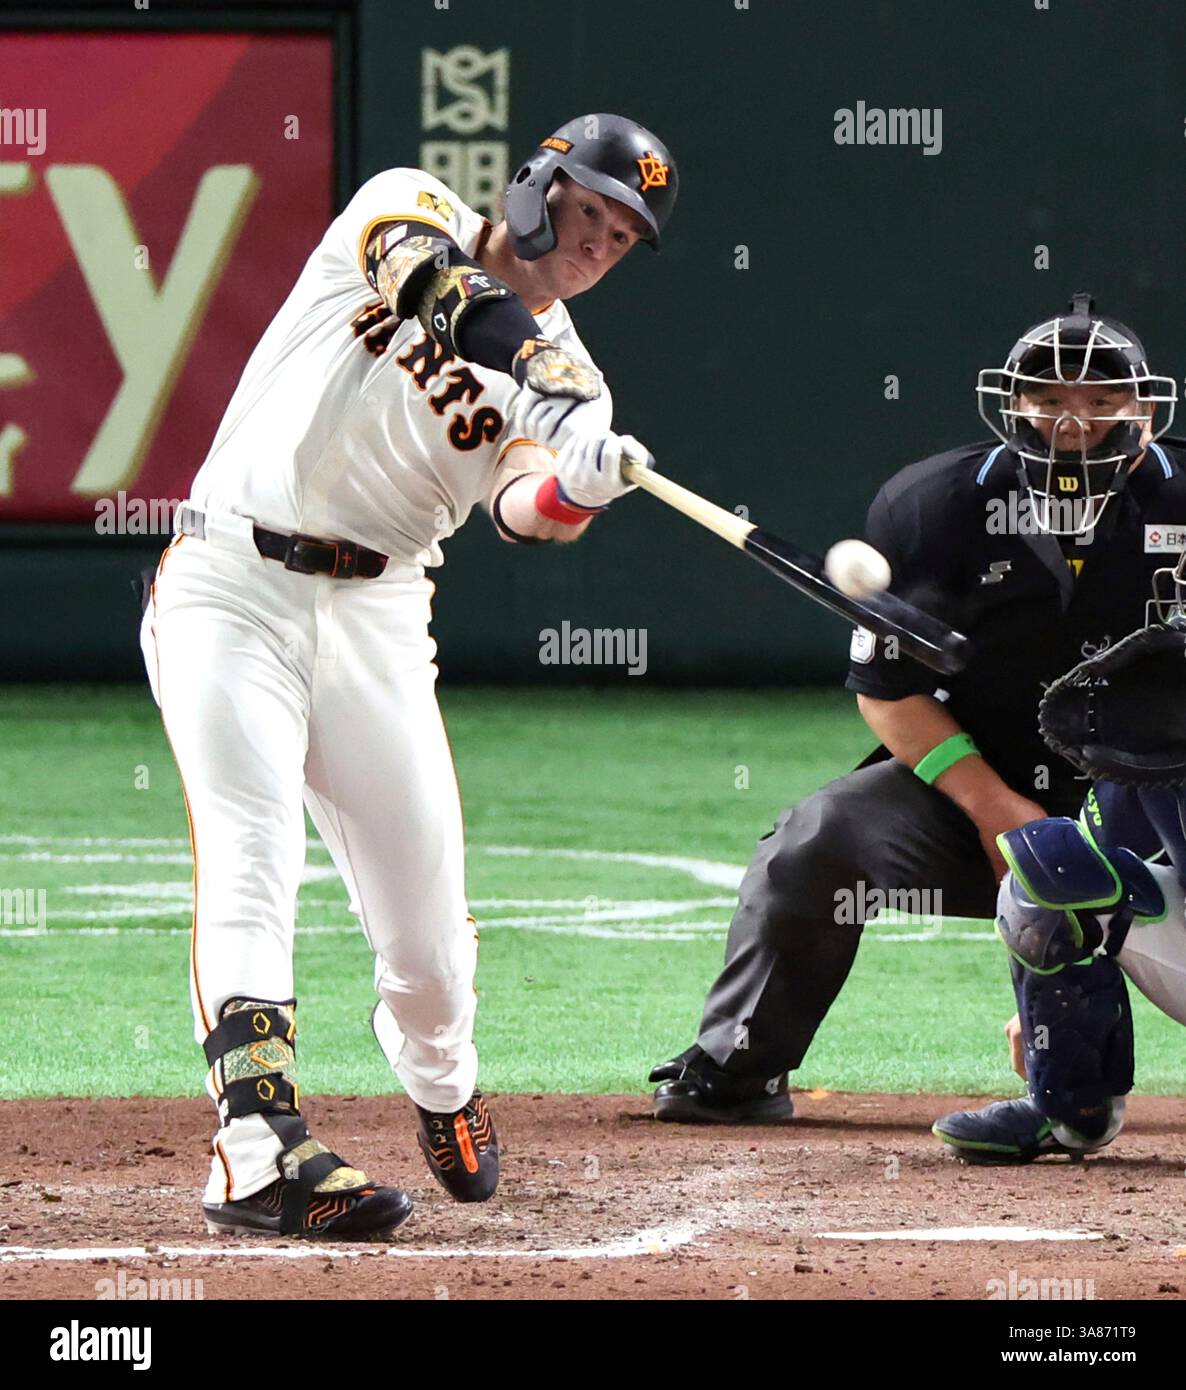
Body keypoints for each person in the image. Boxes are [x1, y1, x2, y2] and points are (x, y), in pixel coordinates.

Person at [141, 113, 678, 1237]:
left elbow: (524, 514)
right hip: (230, 579)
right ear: (538, 182)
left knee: (429, 950)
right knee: (254, 848)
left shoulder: (573, 381)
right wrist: (542, 371)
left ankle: (439, 1082)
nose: (598, 245)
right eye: (590, 211)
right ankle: (254, 1147)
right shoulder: (411, 204)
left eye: (623, 237)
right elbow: (435, 290)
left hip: (380, 616)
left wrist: (581, 481)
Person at [649, 294, 1184, 1124]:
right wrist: (993, 808)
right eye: (1048, 398)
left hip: (1160, 809)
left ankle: (1082, 1052)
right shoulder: (933, 506)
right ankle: (736, 1070)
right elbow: (891, 695)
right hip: (974, 789)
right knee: (816, 841)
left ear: (1143, 407)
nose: (1072, 419)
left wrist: (1069, 977)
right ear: (1013, 402)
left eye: (1101, 399)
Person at [933, 553, 1186, 1163]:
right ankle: (1073, 1108)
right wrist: (1053, 1012)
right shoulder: (1163, 715)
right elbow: (1078, 863)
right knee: (1047, 882)